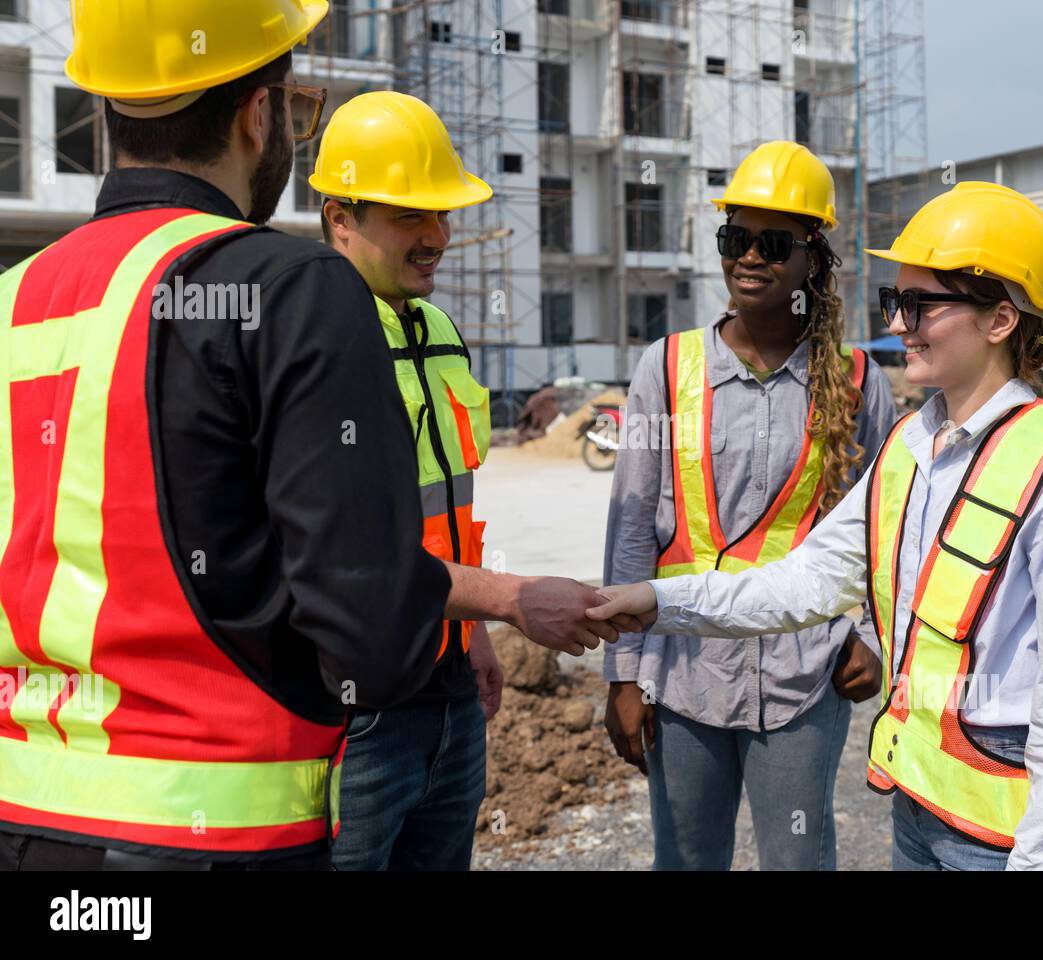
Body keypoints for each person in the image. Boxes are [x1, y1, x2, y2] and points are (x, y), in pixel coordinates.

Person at [0, 0, 610, 872]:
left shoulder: (14, 299)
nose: (437, 236)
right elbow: (361, 618)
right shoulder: (287, 288)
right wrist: (487, 605)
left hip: (29, 813)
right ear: (260, 115)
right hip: (210, 817)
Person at [591, 181, 1043, 871]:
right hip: (918, 809)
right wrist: (658, 603)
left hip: (1006, 832)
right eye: (893, 302)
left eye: (920, 305)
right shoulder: (912, 447)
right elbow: (807, 582)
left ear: (1000, 320)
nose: (900, 324)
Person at [601, 141, 897, 870]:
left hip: (804, 673)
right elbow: (632, 526)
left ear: (812, 259)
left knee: (796, 858)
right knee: (687, 859)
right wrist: (621, 672)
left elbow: (884, 529)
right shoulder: (666, 369)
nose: (750, 257)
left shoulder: (859, 379)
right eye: (736, 239)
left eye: (774, 243)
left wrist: (872, 637)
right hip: (683, 669)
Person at [313, 91, 501, 870]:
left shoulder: (442, 333)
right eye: (410, 218)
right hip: (360, 711)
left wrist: (479, 629)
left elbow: (452, 505)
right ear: (339, 218)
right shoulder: (311, 342)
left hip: (452, 688)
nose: (438, 238)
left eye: (442, 215)